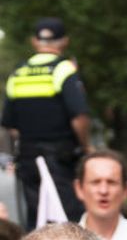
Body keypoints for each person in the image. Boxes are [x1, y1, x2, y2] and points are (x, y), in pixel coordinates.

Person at [2, 16, 90, 224]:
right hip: (60, 158)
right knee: (68, 219)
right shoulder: (64, 69)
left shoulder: (18, 73)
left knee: (36, 218)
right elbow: (79, 117)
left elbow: (9, 124)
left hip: (28, 159)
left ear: (35, 41)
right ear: (64, 41)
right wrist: (86, 147)